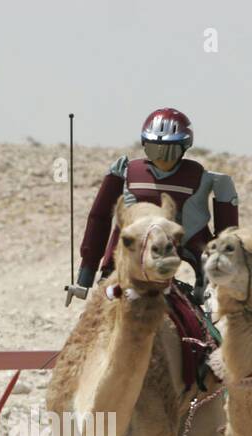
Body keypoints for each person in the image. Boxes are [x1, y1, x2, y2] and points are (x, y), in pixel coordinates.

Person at [69, 107, 239, 302]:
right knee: (104, 295)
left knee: (208, 296)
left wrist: (227, 274)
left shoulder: (202, 178)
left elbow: (227, 233)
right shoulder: (125, 171)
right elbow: (99, 217)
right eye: (153, 150)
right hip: (131, 242)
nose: (161, 158)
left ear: (184, 147)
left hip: (188, 241)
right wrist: (86, 274)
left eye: (169, 151)